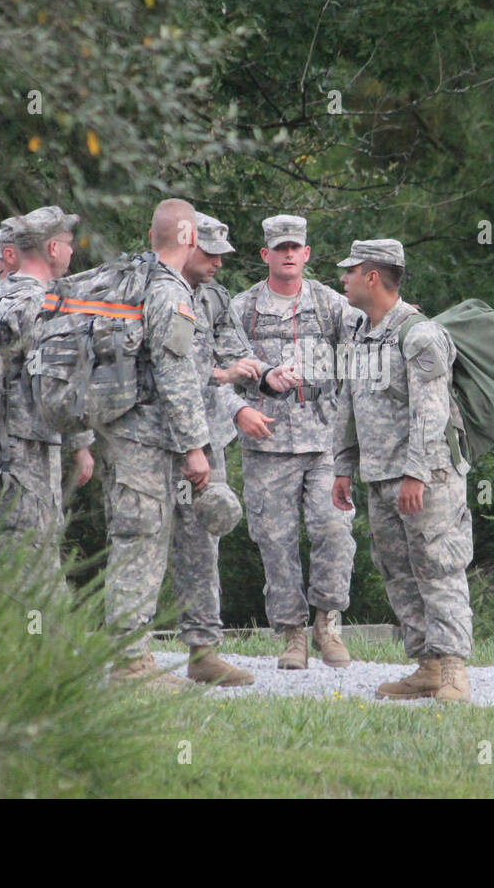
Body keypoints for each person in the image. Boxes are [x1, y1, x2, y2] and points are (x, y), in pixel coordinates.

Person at [331, 239, 474, 703]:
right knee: (396, 569)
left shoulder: (420, 334)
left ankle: (454, 669)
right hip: (380, 475)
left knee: (438, 565)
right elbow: (350, 405)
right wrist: (343, 466)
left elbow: (431, 411)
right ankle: (427, 667)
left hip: (427, 477)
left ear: (373, 276)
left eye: (350, 271)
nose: (344, 279)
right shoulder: (359, 332)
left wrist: (416, 473)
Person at [168, 212, 294, 686]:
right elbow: (170, 372)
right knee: (144, 538)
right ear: (186, 246)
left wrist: (263, 375)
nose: (219, 263)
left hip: (206, 437)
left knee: (204, 541)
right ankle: (131, 654)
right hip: (157, 441)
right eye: (210, 253)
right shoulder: (159, 294)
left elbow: (233, 354)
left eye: (224, 255)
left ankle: (203, 650)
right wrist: (222, 381)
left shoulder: (214, 298)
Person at [230, 213, 357, 670]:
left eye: (295, 247)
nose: (287, 254)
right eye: (278, 248)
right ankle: (292, 634)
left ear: (306, 254)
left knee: (334, 529)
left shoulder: (330, 304)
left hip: (325, 440)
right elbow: (216, 369)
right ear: (265, 254)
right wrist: (239, 409)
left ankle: (328, 622)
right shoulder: (241, 309)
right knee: (274, 540)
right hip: (267, 443)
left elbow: (371, 338)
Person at [99, 198, 213, 690]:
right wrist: (195, 446)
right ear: (187, 236)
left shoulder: (137, 281)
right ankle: (130, 667)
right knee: (140, 548)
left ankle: (131, 658)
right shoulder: (170, 293)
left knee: (135, 543)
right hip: (142, 444)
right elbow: (174, 372)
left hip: (125, 438)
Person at [0, 206, 94, 594]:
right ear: (52, 247)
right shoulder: (33, 304)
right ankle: (44, 642)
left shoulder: (1, 293)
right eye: (68, 244)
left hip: (19, 443)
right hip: (21, 446)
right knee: (31, 552)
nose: (71, 252)